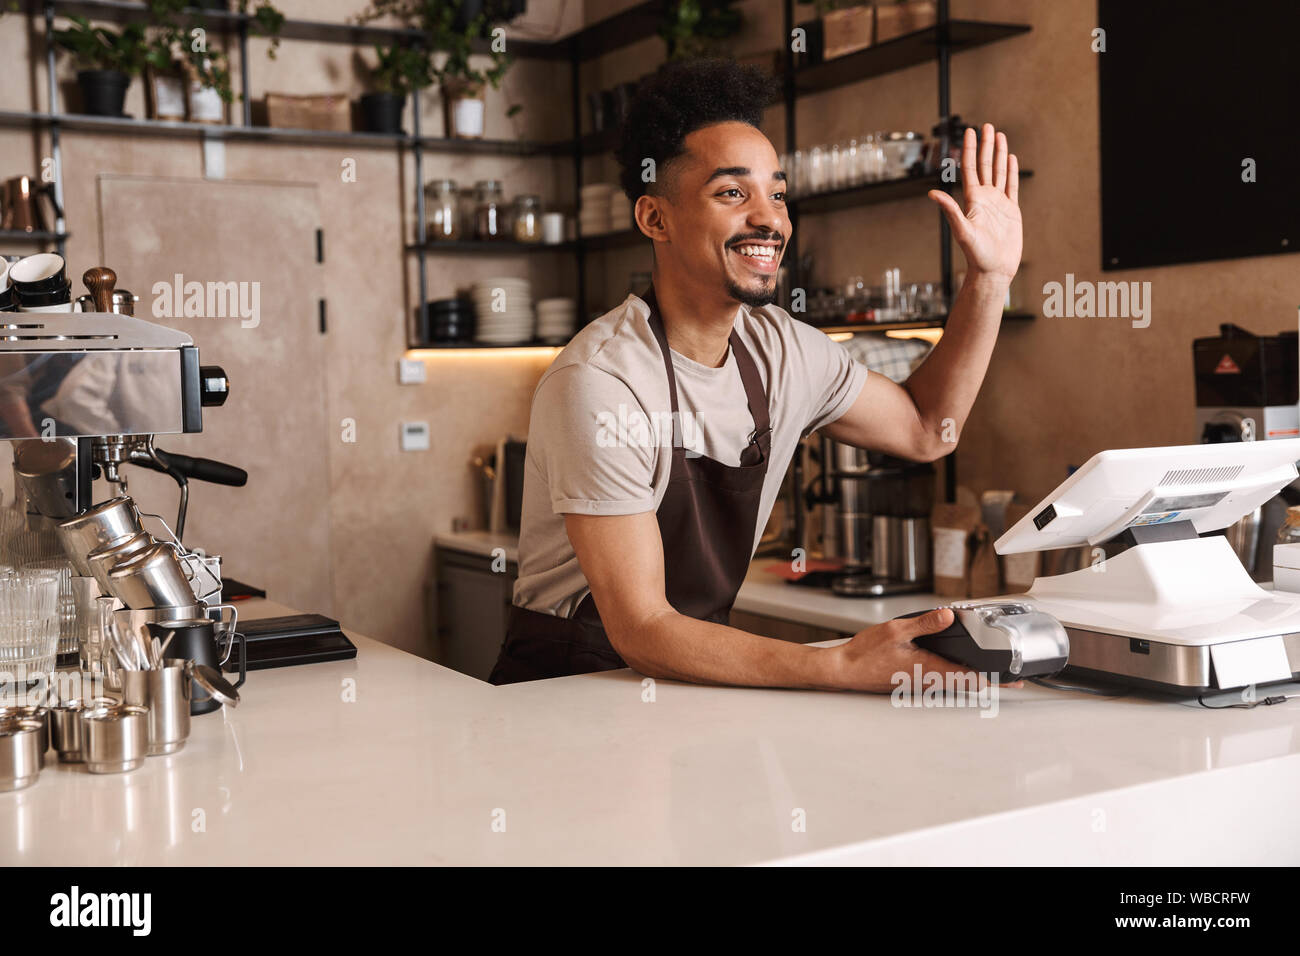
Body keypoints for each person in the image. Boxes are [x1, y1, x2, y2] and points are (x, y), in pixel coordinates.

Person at [489, 59, 1023, 690]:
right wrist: (840, 662)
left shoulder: (784, 351)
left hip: (696, 678)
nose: (770, 219)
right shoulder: (601, 382)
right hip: (571, 688)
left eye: (777, 192)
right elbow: (640, 628)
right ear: (655, 219)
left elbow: (929, 430)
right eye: (732, 193)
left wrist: (988, 281)